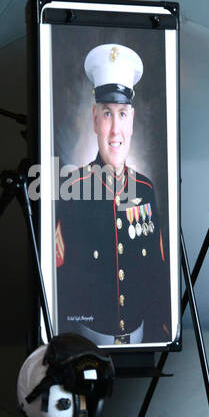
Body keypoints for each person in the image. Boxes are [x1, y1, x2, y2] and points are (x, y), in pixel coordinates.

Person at [54, 43, 170, 345]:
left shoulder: (144, 191)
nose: (115, 129)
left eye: (122, 114)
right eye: (107, 114)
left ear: (131, 122)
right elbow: (60, 285)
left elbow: (157, 276)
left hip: (141, 338)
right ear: (94, 120)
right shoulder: (71, 191)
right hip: (87, 344)